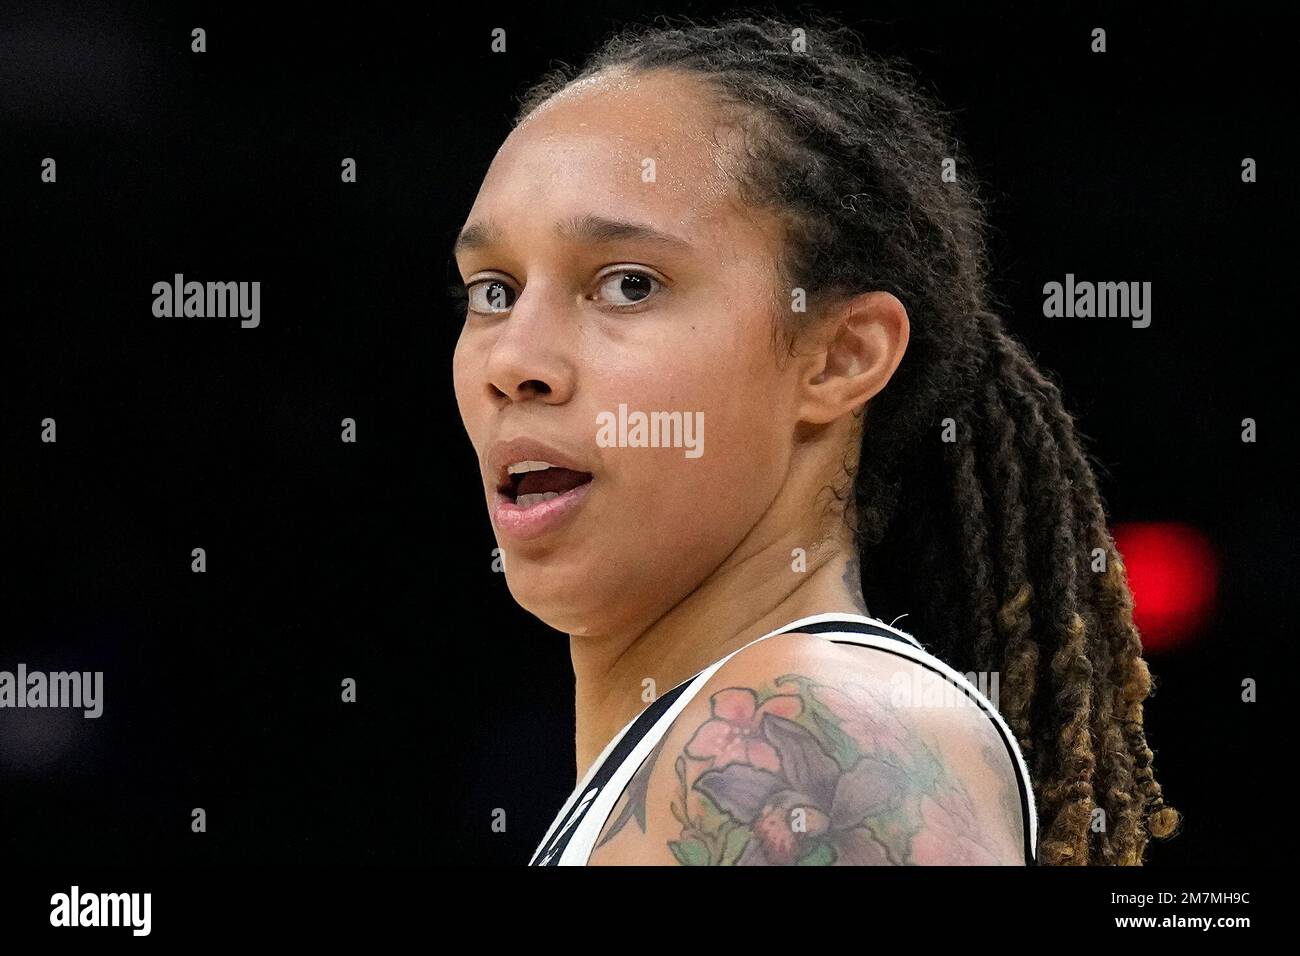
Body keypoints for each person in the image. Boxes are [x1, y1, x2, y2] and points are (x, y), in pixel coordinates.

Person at [449, 13, 1179, 865]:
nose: (513, 359)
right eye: (493, 290)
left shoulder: (817, 723)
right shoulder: (692, 746)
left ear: (838, 357)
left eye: (629, 284)